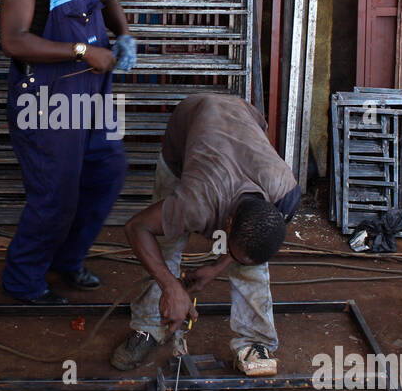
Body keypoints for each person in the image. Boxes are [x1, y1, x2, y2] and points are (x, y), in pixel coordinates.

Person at [0, 0, 133, 305]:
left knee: (106, 173)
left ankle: (67, 258)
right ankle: (23, 280)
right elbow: (14, 40)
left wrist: (125, 34)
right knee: (55, 194)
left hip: (94, 92)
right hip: (46, 99)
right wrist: (81, 50)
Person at [112, 93, 299, 376]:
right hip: (187, 127)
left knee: (254, 265)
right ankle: (150, 326)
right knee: (166, 244)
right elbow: (137, 227)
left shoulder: (284, 193)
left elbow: (246, 252)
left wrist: (216, 266)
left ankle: (254, 341)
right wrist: (171, 287)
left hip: (242, 116)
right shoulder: (195, 202)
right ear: (228, 220)